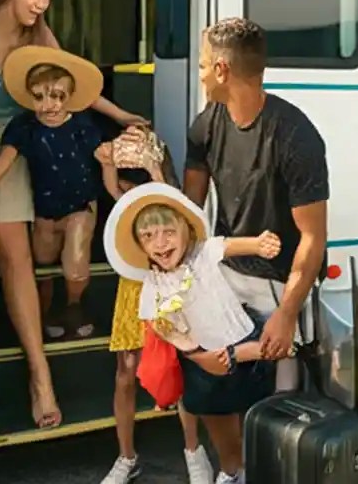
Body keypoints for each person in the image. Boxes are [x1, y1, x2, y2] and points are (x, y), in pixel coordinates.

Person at [0, 0, 147, 429]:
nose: (39, 4)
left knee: (17, 257)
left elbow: (73, 83)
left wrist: (119, 114)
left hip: (21, 148)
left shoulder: (38, 35)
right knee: (17, 252)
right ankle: (42, 361)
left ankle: (41, 377)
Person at [182, 17, 329, 394]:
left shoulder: (296, 136)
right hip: (226, 273)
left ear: (221, 69)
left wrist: (287, 313)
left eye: (202, 65)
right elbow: (188, 213)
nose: (199, 75)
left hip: (277, 284)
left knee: (280, 402)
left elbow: (313, 238)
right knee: (220, 390)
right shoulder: (205, 125)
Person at [108, 182, 286, 484]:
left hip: (241, 337)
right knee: (220, 423)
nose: (160, 243)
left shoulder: (202, 253)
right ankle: (231, 471)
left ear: (185, 232)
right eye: (148, 236)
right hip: (204, 359)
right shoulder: (151, 286)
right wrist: (200, 357)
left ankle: (255, 467)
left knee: (257, 416)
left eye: (168, 233)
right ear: (140, 245)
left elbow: (227, 245)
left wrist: (257, 244)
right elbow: (164, 330)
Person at [96, 127, 215, 484]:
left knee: (179, 368)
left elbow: (172, 208)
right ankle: (126, 456)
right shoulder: (129, 199)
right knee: (125, 371)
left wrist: (155, 168)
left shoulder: (169, 197)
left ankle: (194, 451)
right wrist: (108, 159)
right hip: (133, 285)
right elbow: (112, 187)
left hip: (169, 284)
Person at [0, 45, 107, 341]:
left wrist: (116, 187)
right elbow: (4, 161)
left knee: (76, 260)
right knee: (43, 259)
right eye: (40, 96)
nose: (49, 105)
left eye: (57, 96)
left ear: (70, 97)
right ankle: (48, 308)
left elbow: (104, 158)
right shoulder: (24, 127)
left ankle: (74, 305)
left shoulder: (82, 125)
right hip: (45, 208)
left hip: (81, 204)